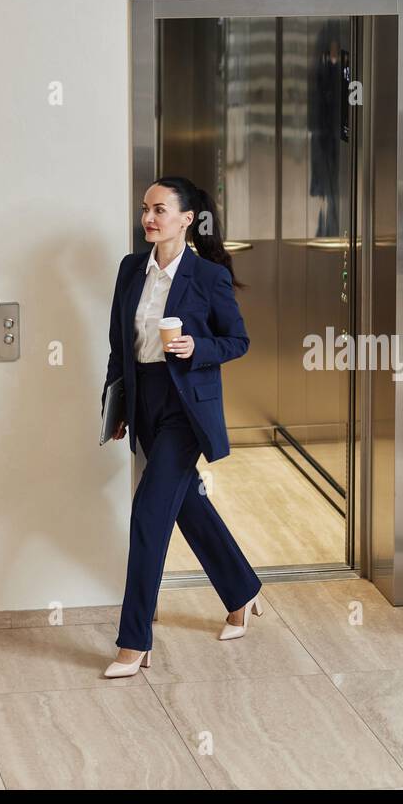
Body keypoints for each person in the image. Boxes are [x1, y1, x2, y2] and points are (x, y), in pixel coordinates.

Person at [100, 176, 264, 677]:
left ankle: (134, 642)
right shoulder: (131, 270)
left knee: (148, 514)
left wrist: (199, 348)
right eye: (145, 209)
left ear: (186, 219)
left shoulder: (207, 276)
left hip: (186, 406)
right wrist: (118, 404)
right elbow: (117, 344)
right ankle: (242, 590)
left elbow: (238, 340)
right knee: (187, 504)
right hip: (145, 400)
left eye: (160, 210)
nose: (149, 218)